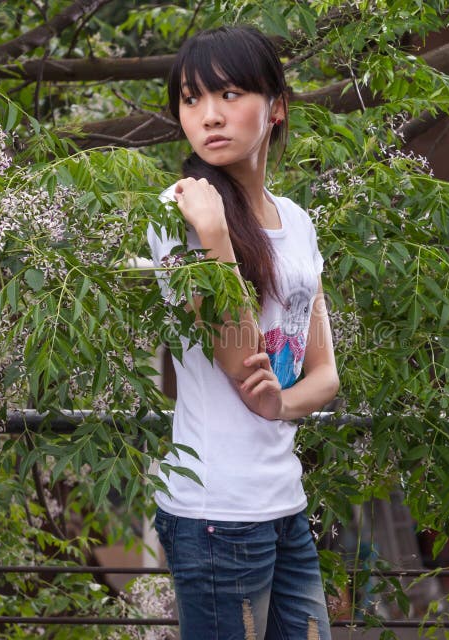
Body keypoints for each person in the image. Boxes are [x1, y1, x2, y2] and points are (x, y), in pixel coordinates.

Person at [146, 25, 339, 640]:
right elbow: (238, 359)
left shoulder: (298, 223)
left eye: (228, 94)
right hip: (215, 512)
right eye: (191, 99)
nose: (208, 115)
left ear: (276, 107)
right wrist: (215, 237)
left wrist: (280, 403)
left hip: (284, 502)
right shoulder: (177, 215)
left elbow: (325, 373)